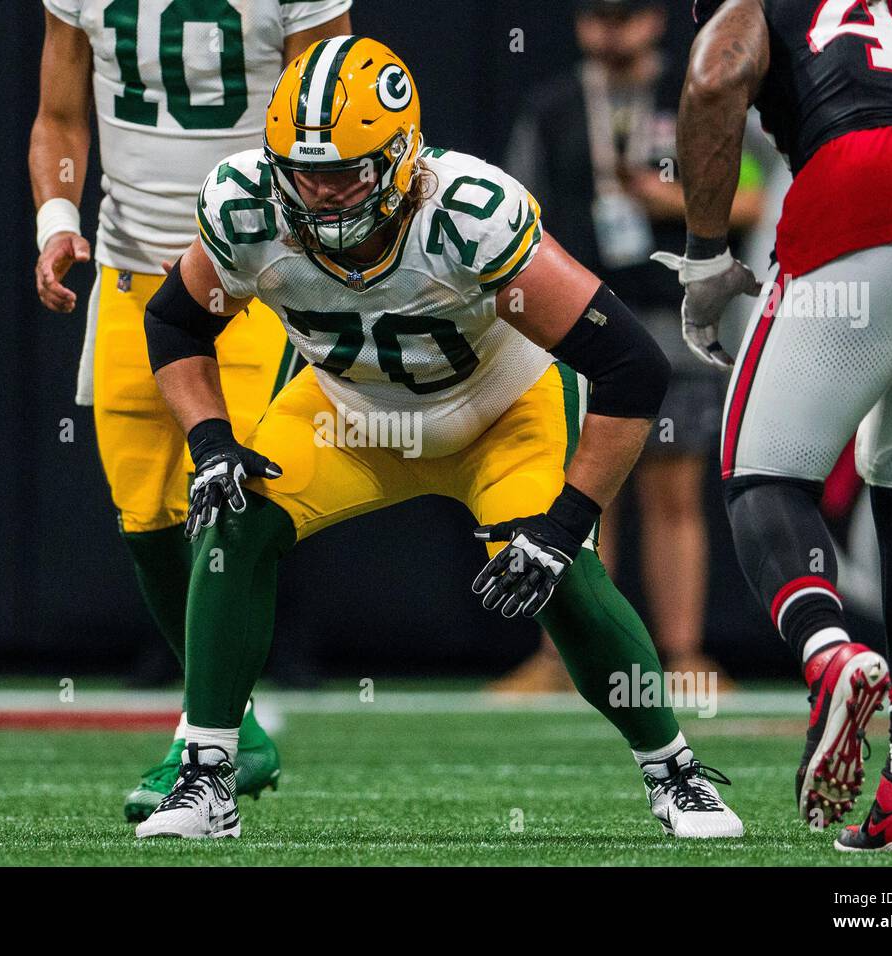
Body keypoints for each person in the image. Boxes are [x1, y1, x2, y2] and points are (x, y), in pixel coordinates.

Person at [136, 36, 743, 840]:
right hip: (348, 413)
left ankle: (675, 771)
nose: (319, 195)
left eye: (344, 171)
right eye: (302, 170)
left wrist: (564, 526)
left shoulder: (466, 216)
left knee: (555, 570)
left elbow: (631, 367)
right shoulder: (246, 206)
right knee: (231, 513)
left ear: (401, 157)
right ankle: (206, 772)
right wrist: (212, 440)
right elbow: (175, 321)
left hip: (502, 412)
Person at [657, 0, 892, 849]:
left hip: (863, 180)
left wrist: (707, 253)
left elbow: (714, 78)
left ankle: (829, 655)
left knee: (762, 473)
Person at [28, 0, 351, 823]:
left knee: (227, 508)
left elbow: (335, 117)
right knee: (147, 522)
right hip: (132, 273)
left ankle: (201, 745)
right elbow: (60, 116)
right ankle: (237, 729)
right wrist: (57, 220)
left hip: (247, 278)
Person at [498, 0, 764, 692]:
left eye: (626, 16)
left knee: (674, 499)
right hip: (576, 327)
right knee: (583, 494)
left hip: (672, 322)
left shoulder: (700, 90)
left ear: (655, 20)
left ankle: (682, 659)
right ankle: (568, 659)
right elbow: (512, 218)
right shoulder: (553, 106)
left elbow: (754, 201)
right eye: (596, 18)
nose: (611, 33)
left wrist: (668, 201)